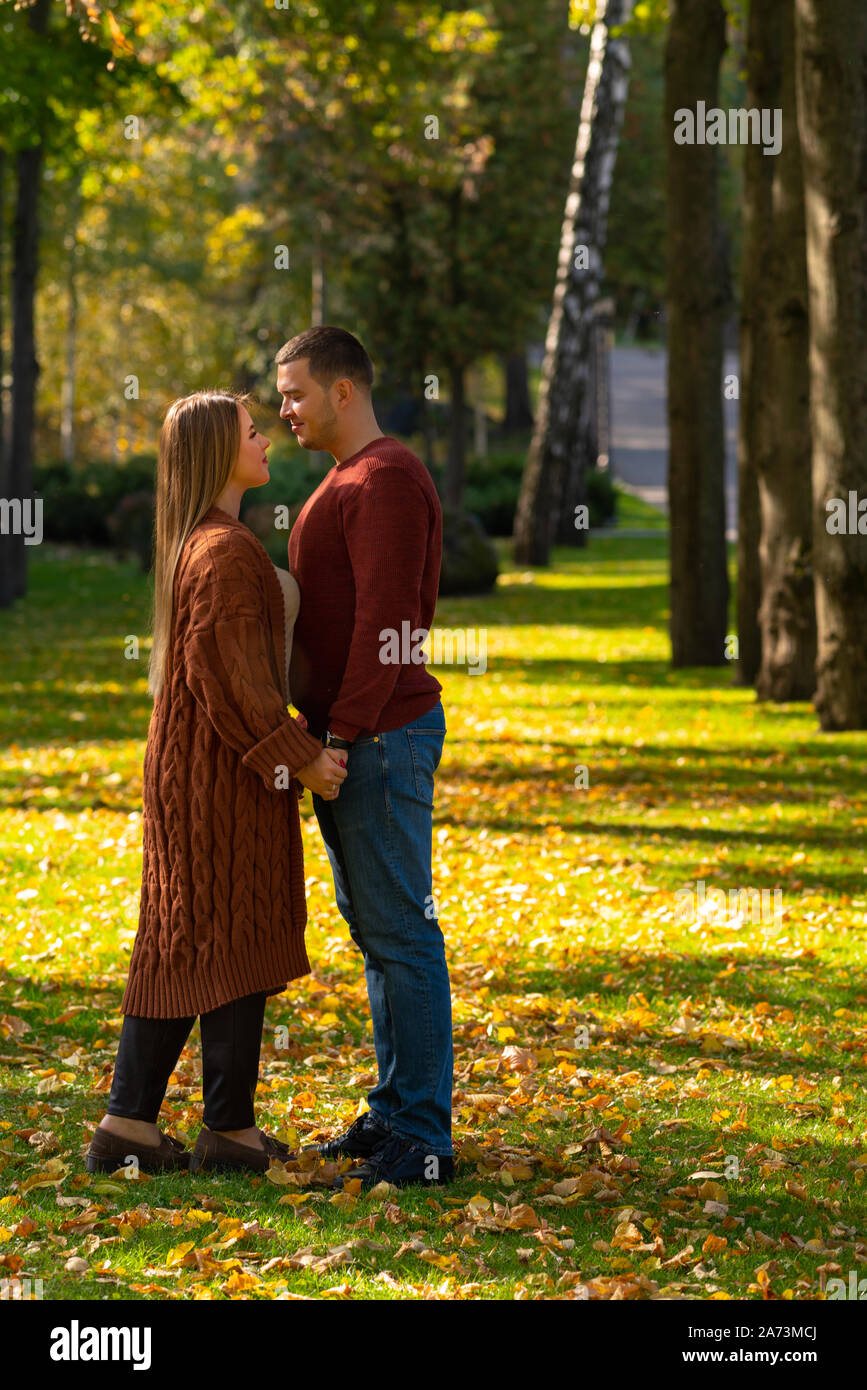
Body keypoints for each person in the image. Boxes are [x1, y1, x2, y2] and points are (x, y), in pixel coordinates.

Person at [85, 390, 347, 1176]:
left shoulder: (206, 541)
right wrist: (298, 752)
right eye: (250, 432)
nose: (265, 439)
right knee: (215, 932)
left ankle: (189, 1128)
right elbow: (226, 677)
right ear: (214, 452)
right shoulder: (223, 551)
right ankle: (151, 1124)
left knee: (210, 938)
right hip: (219, 772)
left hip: (203, 769)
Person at [276, 325, 454, 1189]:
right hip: (355, 737)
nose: (285, 410)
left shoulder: (382, 479)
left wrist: (340, 736)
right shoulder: (347, 479)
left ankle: (422, 1138)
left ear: (345, 389)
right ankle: (393, 1113)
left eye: (297, 393)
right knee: (380, 933)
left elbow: (392, 626)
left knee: (403, 936)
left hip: (378, 738)